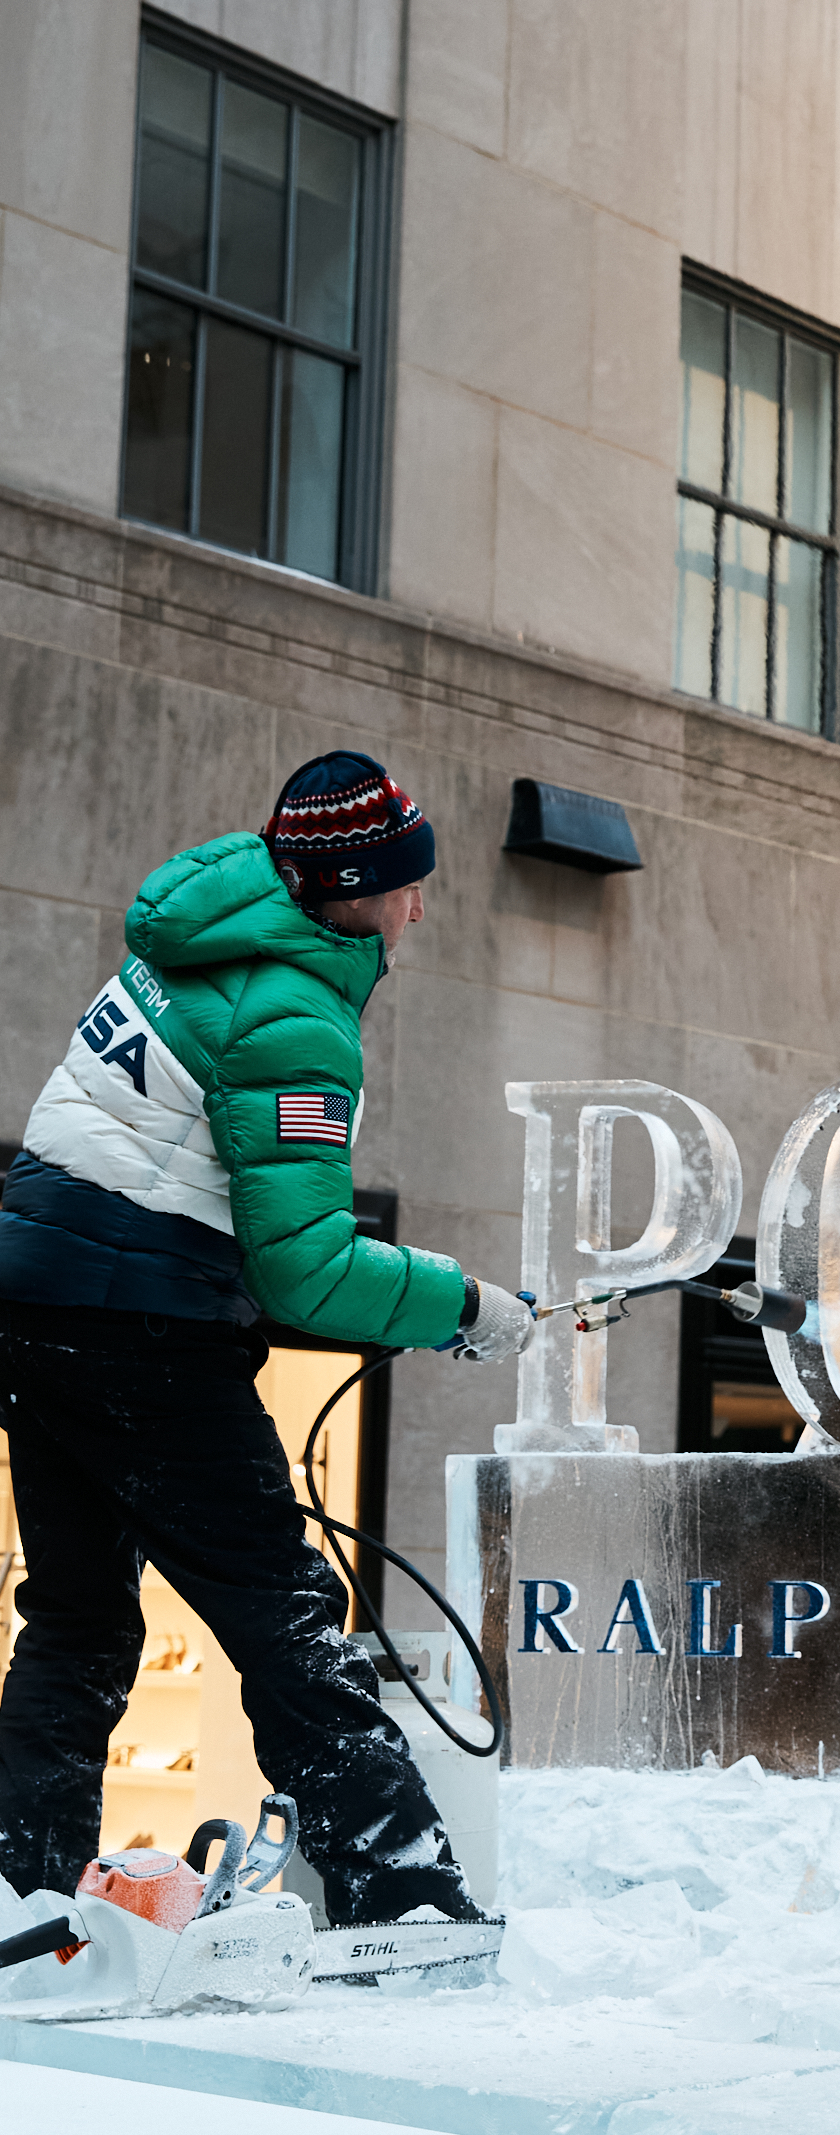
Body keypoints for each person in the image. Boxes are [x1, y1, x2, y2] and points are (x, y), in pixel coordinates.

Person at [0, 752, 532, 1924]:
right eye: (402, 883)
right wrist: (469, 1309)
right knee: (282, 1613)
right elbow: (307, 1271)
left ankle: (22, 1883)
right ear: (347, 888)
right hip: (144, 1333)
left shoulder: (189, 938)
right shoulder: (292, 1014)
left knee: (79, 1615)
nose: (418, 906)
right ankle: (398, 1897)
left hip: (33, 1316)